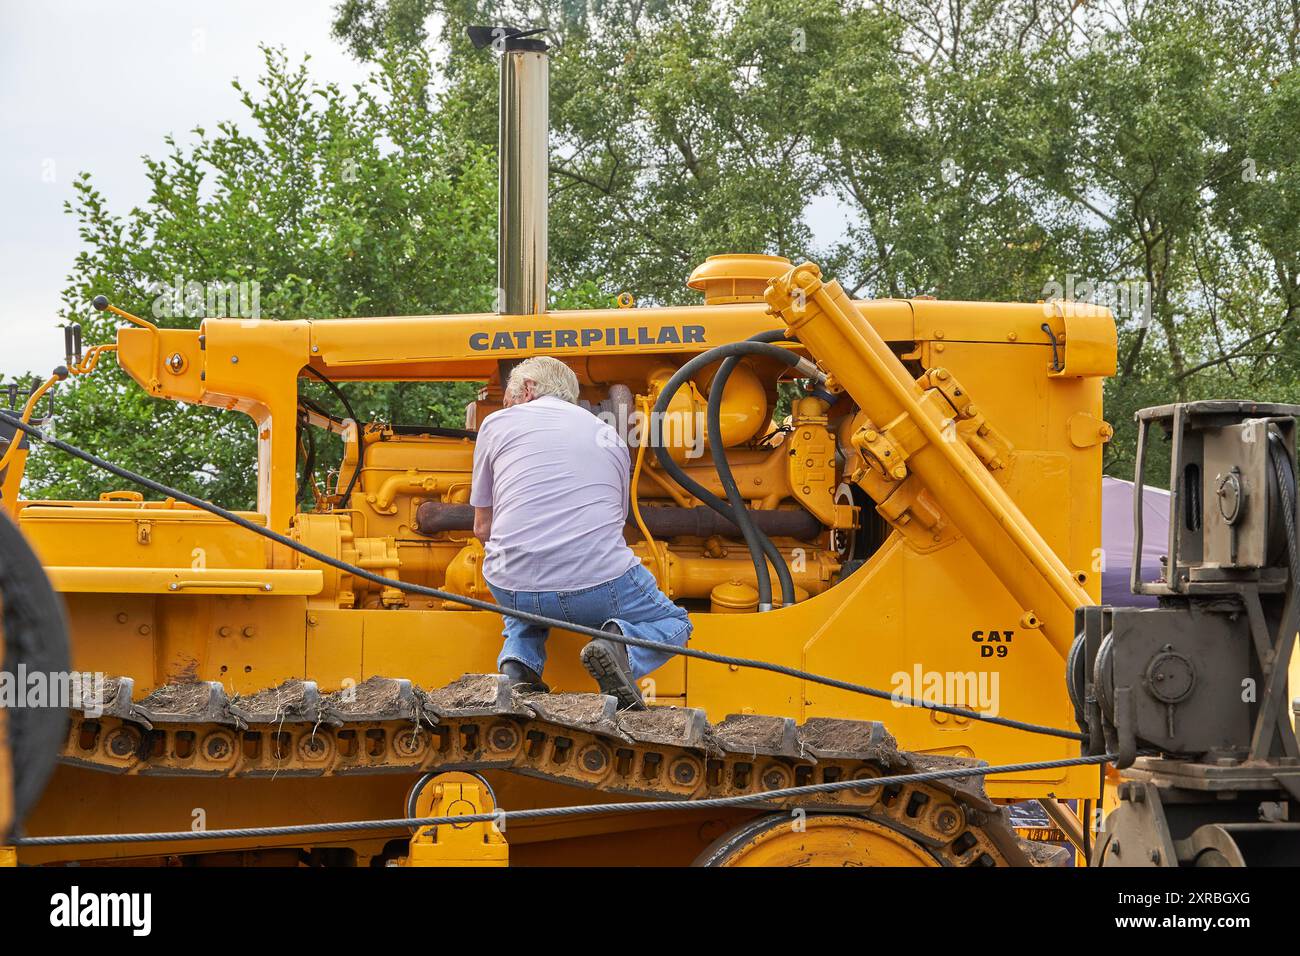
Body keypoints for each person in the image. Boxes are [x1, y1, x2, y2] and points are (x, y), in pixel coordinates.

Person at [470, 355, 691, 709]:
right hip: (597, 587)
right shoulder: (610, 435)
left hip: (512, 589)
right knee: (673, 621)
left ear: (528, 389)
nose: (507, 405)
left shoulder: (495, 425)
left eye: (509, 396)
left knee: (513, 571)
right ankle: (620, 646)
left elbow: (483, 528)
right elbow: (616, 523)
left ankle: (518, 667)